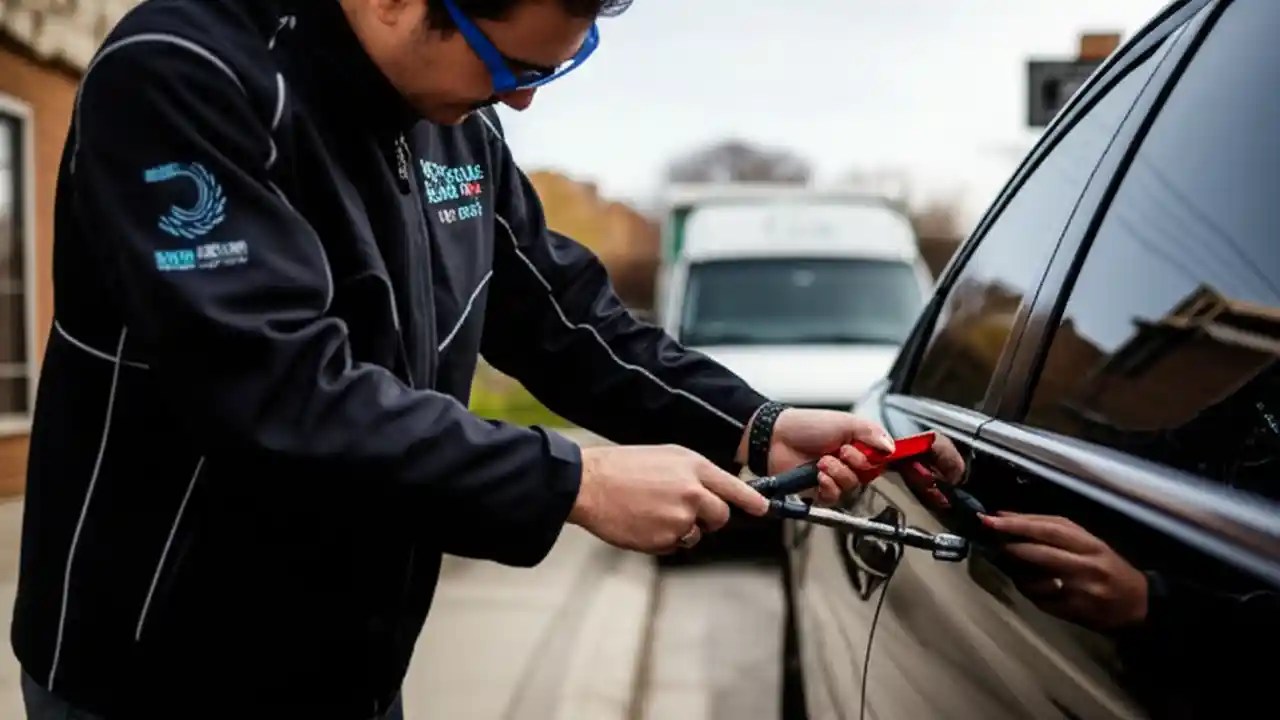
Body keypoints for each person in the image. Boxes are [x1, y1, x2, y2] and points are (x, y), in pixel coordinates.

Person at [10, 1, 903, 717]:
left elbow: (568, 322)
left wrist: (754, 424)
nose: (522, 101)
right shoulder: (181, 75)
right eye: (513, 67)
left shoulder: (454, 123)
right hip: (161, 673)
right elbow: (278, 390)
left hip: (353, 667)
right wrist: (577, 482)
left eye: (552, 69)